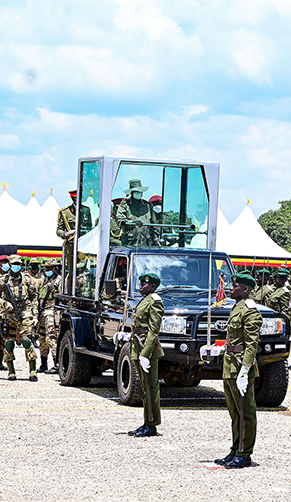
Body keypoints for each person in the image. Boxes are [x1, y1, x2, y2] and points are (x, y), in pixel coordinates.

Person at [214, 272, 262, 469]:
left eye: (234, 286)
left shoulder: (250, 310)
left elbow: (252, 344)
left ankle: (244, 453)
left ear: (246, 289)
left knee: (245, 412)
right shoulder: (237, 306)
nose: (230, 289)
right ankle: (235, 449)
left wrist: (245, 369)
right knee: (235, 412)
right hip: (230, 365)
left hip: (240, 365)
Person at [128, 273, 165, 438]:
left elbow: (153, 330)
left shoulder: (155, 301)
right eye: (141, 283)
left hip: (146, 349)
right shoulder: (144, 300)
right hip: (138, 346)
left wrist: (145, 354)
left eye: (144, 284)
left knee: (151, 387)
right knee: (145, 387)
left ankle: (151, 423)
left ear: (153, 286)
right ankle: (146, 422)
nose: (141, 286)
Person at [0, 255, 40, 381]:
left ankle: (32, 371)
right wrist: (5, 303)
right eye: (14, 264)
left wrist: (35, 315)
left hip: (24, 312)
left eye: (19, 264)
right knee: (9, 343)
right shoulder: (2, 280)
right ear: (9, 265)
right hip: (9, 314)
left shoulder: (27, 279)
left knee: (27, 340)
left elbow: (34, 298)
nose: (17, 267)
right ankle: (11, 371)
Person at [36, 259, 61, 374]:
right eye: (46, 268)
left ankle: (57, 364)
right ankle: (43, 363)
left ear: (54, 268)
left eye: (50, 268)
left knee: (51, 338)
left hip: (51, 312)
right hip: (43, 312)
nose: (47, 270)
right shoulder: (45, 280)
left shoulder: (58, 280)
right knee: (42, 338)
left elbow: (61, 297)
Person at [114, 179, 155, 247]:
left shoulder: (148, 206)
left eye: (140, 191)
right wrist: (132, 222)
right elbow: (120, 221)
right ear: (131, 193)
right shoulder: (124, 205)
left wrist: (156, 240)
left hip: (146, 242)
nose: (138, 193)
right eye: (136, 191)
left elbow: (154, 225)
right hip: (129, 243)